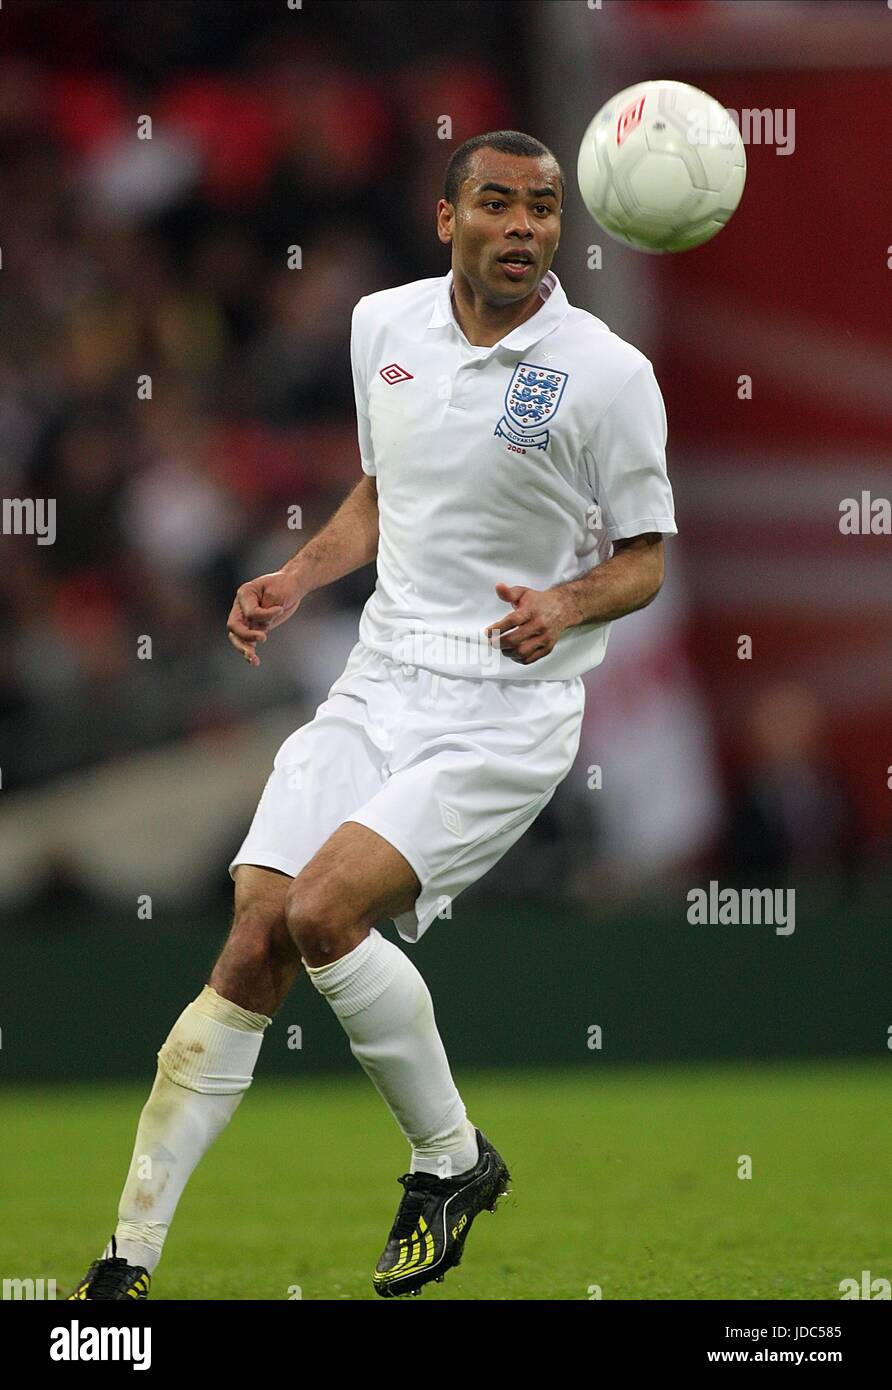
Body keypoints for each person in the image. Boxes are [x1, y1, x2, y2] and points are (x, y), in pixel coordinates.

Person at [69, 129, 676, 1301]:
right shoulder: (380, 327)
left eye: (542, 210)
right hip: (378, 677)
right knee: (253, 939)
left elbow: (644, 560)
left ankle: (450, 1159)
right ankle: (124, 1263)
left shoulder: (607, 372)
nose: (522, 228)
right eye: (496, 204)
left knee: (325, 905)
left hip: (505, 706)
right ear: (445, 219)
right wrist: (300, 575)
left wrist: (564, 600)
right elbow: (387, 489)